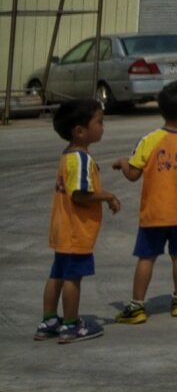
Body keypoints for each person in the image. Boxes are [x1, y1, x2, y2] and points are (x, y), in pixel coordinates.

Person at [112, 80, 177, 323]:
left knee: (146, 257)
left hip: (155, 213)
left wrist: (124, 162)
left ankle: (137, 306)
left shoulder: (149, 140)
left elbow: (134, 175)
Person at [39, 99, 118, 343]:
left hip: (62, 229)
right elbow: (80, 194)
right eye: (99, 122)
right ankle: (71, 324)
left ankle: (50, 320)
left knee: (57, 275)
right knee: (73, 277)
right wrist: (109, 196)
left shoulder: (67, 156)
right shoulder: (81, 159)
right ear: (80, 131)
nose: (103, 127)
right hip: (76, 231)